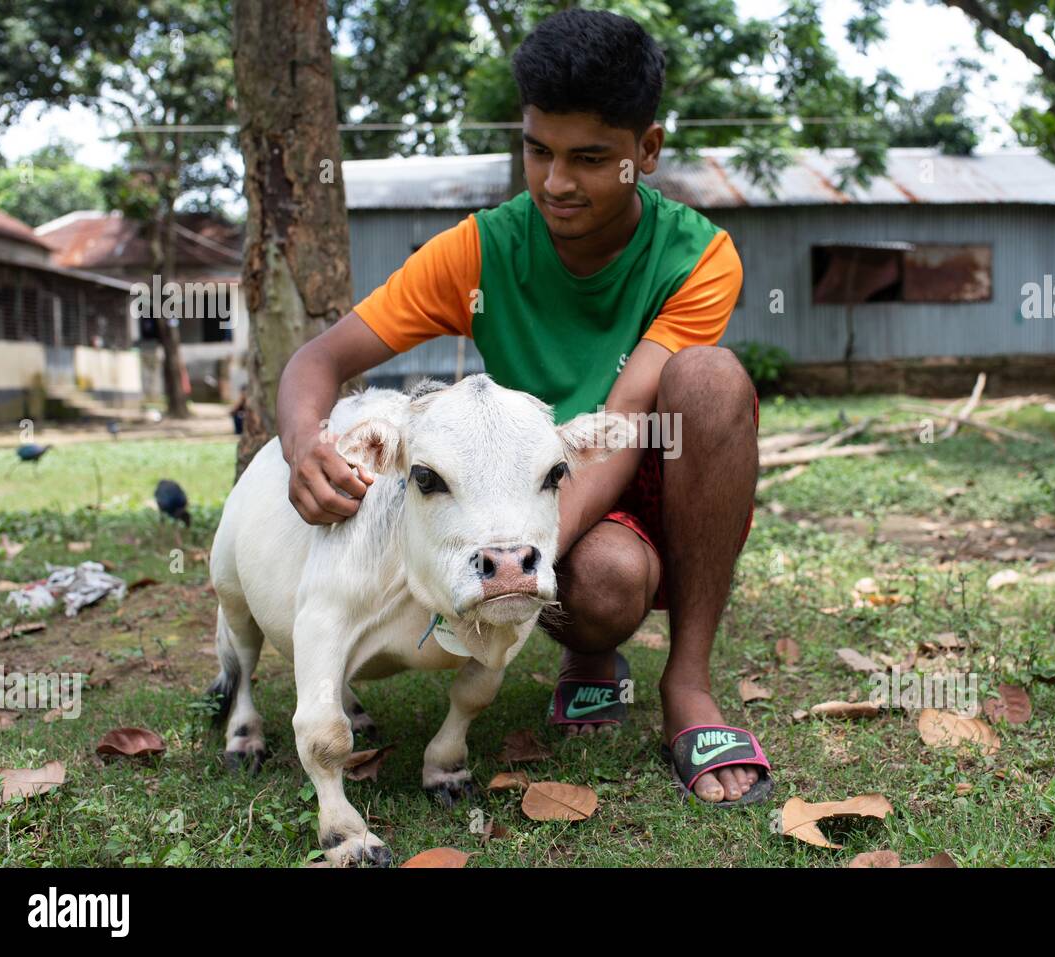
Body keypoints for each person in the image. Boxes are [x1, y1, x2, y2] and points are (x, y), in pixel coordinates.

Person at [276, 8, 770, 805]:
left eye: (589, 158)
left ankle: (688, 681)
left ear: (646, 150)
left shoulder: (698, 255)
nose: (556, 182)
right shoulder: (480, 250)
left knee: (710, 379)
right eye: (538, 151)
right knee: (605, 587)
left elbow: (624, 423)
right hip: (538, 496)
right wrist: (304, 440)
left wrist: (513, 561)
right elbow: (319, 360)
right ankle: (589, 650)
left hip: (636, 460)